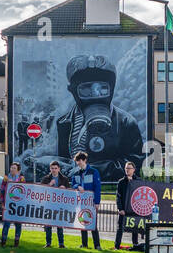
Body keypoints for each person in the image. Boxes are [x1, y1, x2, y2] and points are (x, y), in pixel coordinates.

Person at [54, 54, 145, 182]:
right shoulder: (64, 123)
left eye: (102, 88)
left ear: (111, 89)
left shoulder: (125, 122)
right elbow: (65, 158)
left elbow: (135, 163)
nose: (95, 95)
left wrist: (91, 170)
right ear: (73, 91)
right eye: (86, 89)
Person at [70, 151, 102, 250]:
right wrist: (77, 186)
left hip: (91, 202)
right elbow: (73, 185)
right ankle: (84, 244)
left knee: (93, 224)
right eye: (77, 161)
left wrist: (97, 202)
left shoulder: (94, 172)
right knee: (82, 223)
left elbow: (97, 188)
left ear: (84, 160)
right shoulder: (76, 173)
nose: (78, 163)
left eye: (79, 161)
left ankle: (97, 245)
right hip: (81, 202)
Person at [114, 159, 142, 250]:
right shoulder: (121, 182)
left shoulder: (138, 181)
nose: (127, 170)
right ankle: (117, 246)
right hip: (124, 210)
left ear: (134, 169)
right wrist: (120, 209)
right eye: (126, 168)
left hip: (134, 209)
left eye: (129, 168)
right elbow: (118, 196)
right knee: (120, 228)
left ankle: (135, 245)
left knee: (135, 229)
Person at [41, 160, 70, 248]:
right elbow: (41, 191)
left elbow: (69, 192)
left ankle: (61, 244)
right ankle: (48, 243)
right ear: (50, 169)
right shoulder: (46, 179)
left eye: (55, 168)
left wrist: (64, 188)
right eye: (52, 168)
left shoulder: (64, 179)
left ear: (59, 169)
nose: (54, 170)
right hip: (49, 205)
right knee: (48, 225)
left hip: (60, 205)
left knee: (59, 226)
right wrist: (50, 184)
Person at [0, 162, 24, 247]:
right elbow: (2, 191)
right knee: (6, 224)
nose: (12, 169)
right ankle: (3, 242)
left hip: (18, 205)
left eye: (14, 168)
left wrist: (14, 183)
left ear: (18, 170)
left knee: (18, 224)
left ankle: (16, 243)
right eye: (11, 168)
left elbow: (24, 191)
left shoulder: (21, 179)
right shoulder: (6, 179)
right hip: (7, 204)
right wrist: (2, 203)